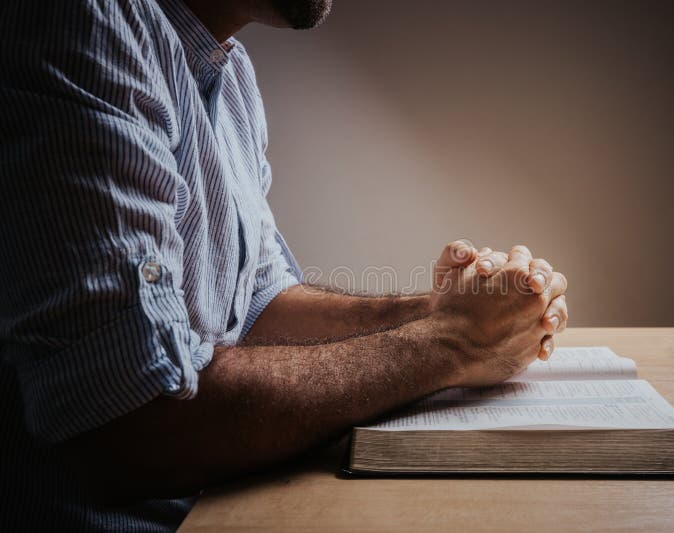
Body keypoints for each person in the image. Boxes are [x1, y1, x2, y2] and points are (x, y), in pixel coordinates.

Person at [0, 0, 568, 531]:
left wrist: (445, 310)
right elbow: (133, 423)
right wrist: (454, 341)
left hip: (222, 506)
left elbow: (259, 310)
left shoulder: (228, 73)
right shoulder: (81, 23)